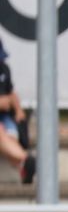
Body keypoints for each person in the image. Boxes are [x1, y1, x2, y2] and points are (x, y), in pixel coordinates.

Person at [0, 37, 35, 184]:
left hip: (5, 117)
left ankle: (22, 164)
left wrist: (19, 110)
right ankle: (24, 159)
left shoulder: (4, 68)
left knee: (10, 137)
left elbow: (12, 93)